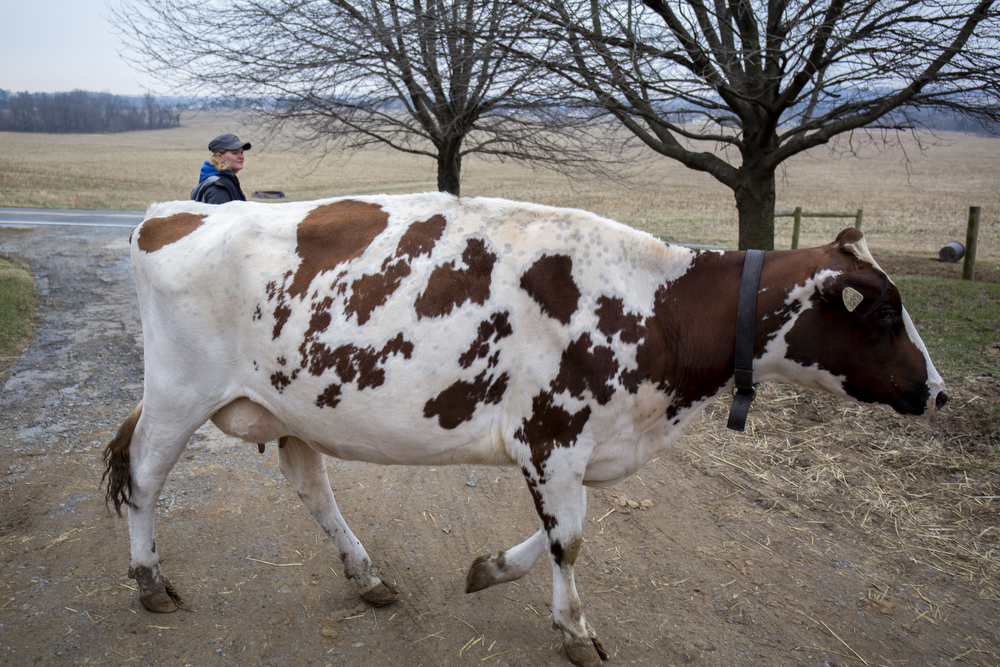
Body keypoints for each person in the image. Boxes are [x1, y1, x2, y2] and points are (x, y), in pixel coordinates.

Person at [191, 133, 251, 203]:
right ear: (219, 156)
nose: (241, 157)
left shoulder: (224, 180)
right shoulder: (219, 188)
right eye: (235, 153)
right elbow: (220, 214)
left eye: (241, 153)